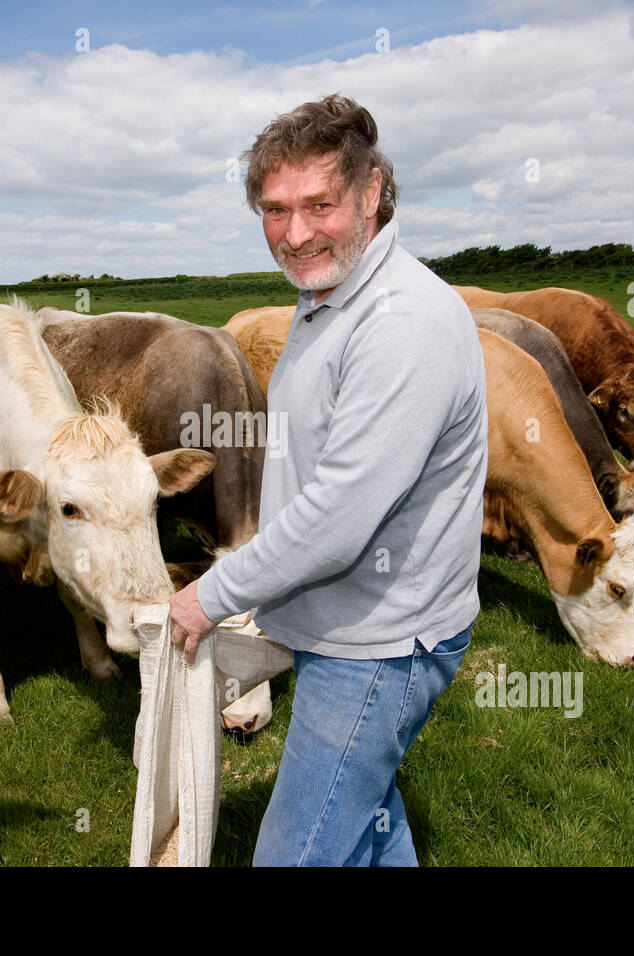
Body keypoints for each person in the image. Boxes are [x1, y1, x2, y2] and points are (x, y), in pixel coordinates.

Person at [167, 93, 488, 866]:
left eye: (320, 203)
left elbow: (340, 516)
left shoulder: (400, 323)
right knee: (370, 825)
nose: (296, 231)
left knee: (296, 852)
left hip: (379, 645)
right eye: (275, 209)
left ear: (371, 193)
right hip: (350, 626)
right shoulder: (330, 299)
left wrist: (209, 594)